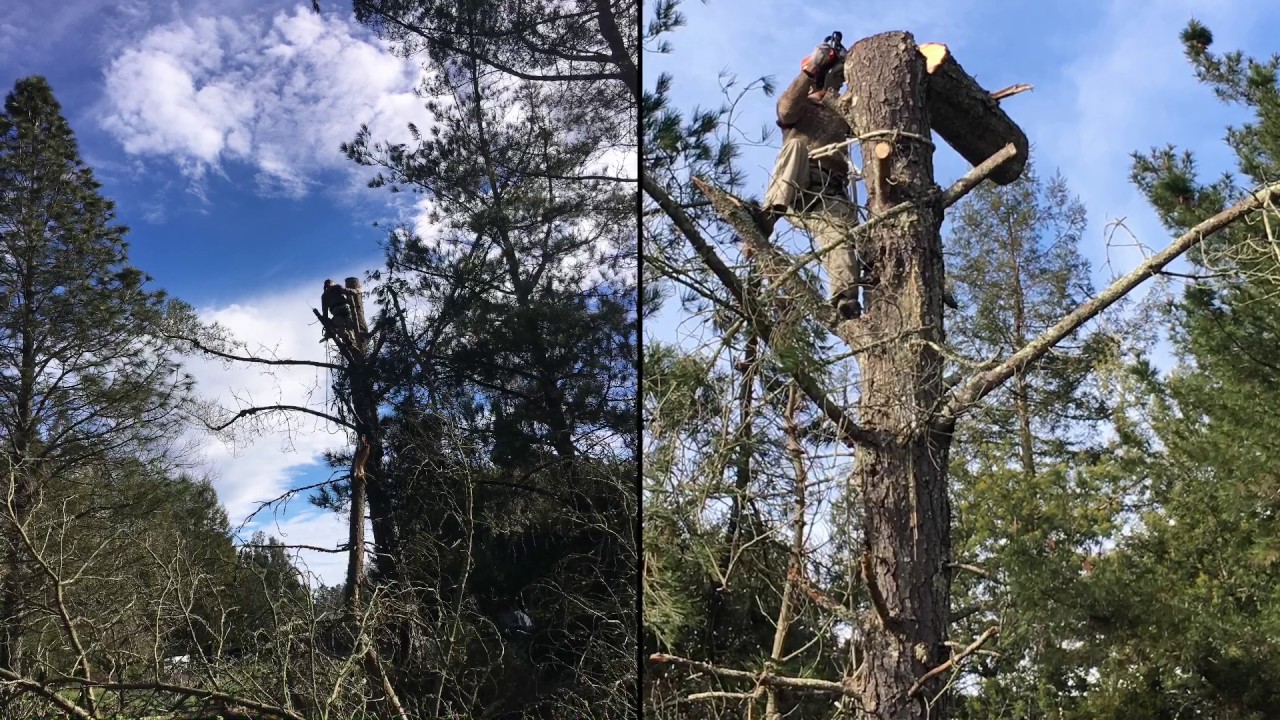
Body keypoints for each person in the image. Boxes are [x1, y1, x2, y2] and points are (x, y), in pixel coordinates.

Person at [763, 32, 866, 320]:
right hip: (796, 183)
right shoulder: (801, 104)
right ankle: (769, 215)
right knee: (796, 146)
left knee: (840, 235)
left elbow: (868, 130)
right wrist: (810, 71)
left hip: (829, 192)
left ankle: (844, 299)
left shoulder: (844, 112)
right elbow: (785, 109)